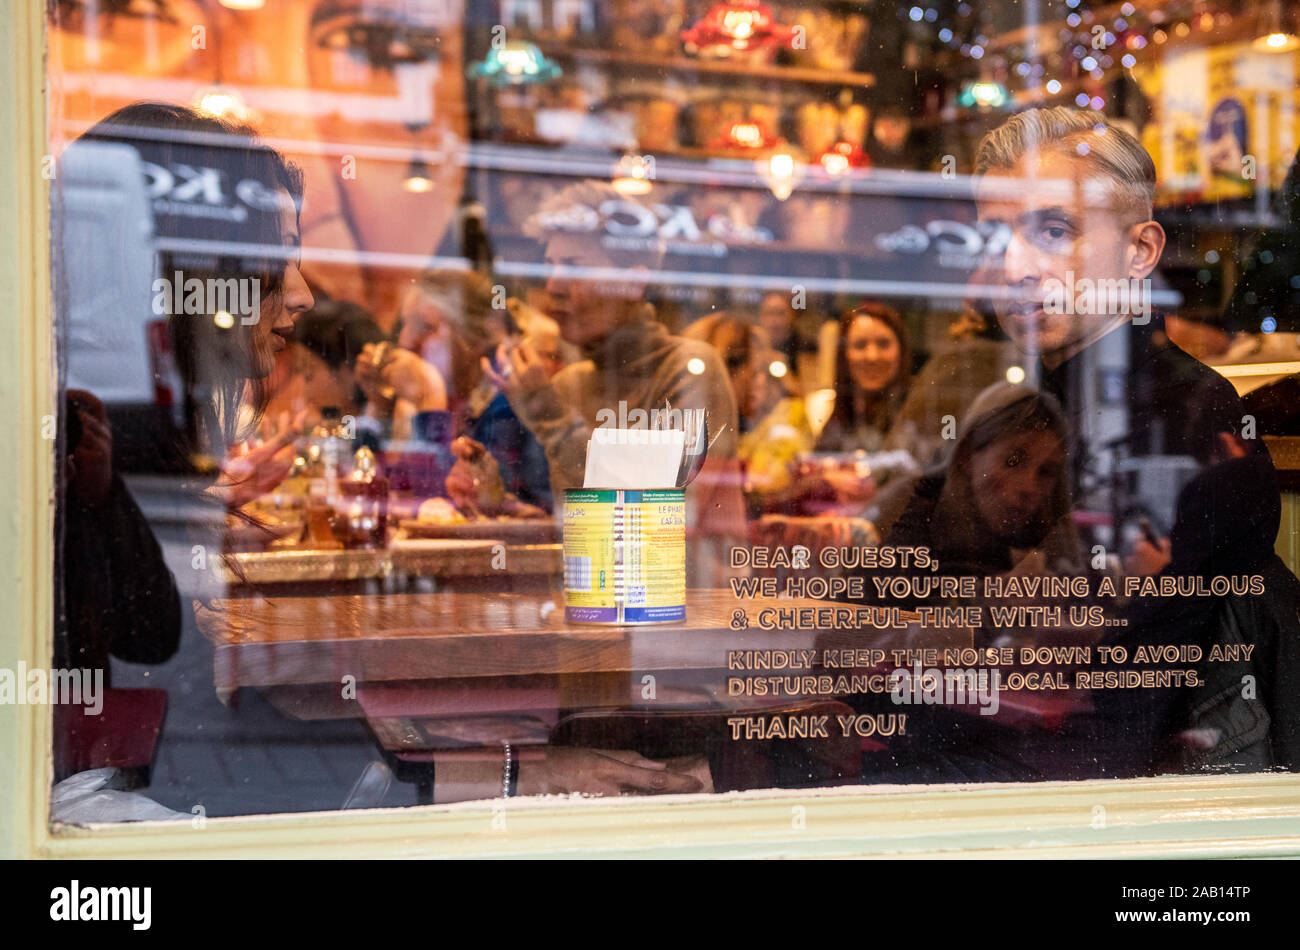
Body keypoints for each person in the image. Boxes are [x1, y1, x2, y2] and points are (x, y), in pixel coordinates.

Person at [965, 106, 1294, 777]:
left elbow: (1106, 706)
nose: (1015, 266)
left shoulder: (1188, 423)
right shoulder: (1014, 412)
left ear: (1140, 251)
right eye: (992, 237)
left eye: (1053, 230)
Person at [451, 180, 739, 511]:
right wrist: (497, 504)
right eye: (551, 266)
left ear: (633, 283)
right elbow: (574, 526)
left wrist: (550, 417)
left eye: (574, 266)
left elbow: (669, 516)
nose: (554, 285)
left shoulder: (690, 369)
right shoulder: (567, 384)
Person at [814, 301, 911, 455]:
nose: (872, 356)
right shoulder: (838, 421)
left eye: (883, 344)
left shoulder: (918, 414)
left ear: (901, 351)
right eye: (860, 345)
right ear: (844, 355)